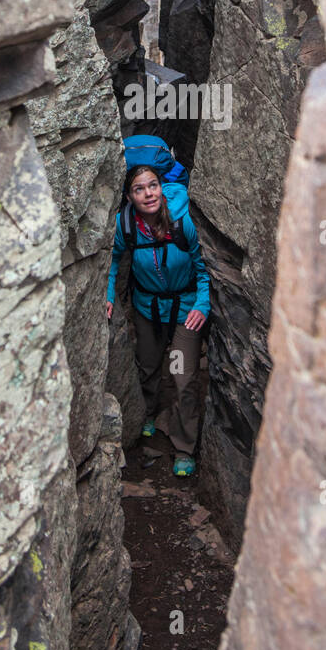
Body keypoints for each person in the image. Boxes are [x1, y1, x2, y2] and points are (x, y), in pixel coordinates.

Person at [106, 163, 210, 476]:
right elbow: (112, 260)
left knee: (181, 375)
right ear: (129, 197)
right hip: (147, 308)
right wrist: (109, 294)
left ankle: (184, 447)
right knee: (148, 366)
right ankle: (146, 414)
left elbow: (203, 267)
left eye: (153, 186)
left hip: (185, 310)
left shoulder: (182, 221)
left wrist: (202, 304)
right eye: (139, 189)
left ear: (161, 188)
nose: (148, 194)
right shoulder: (126, 225)